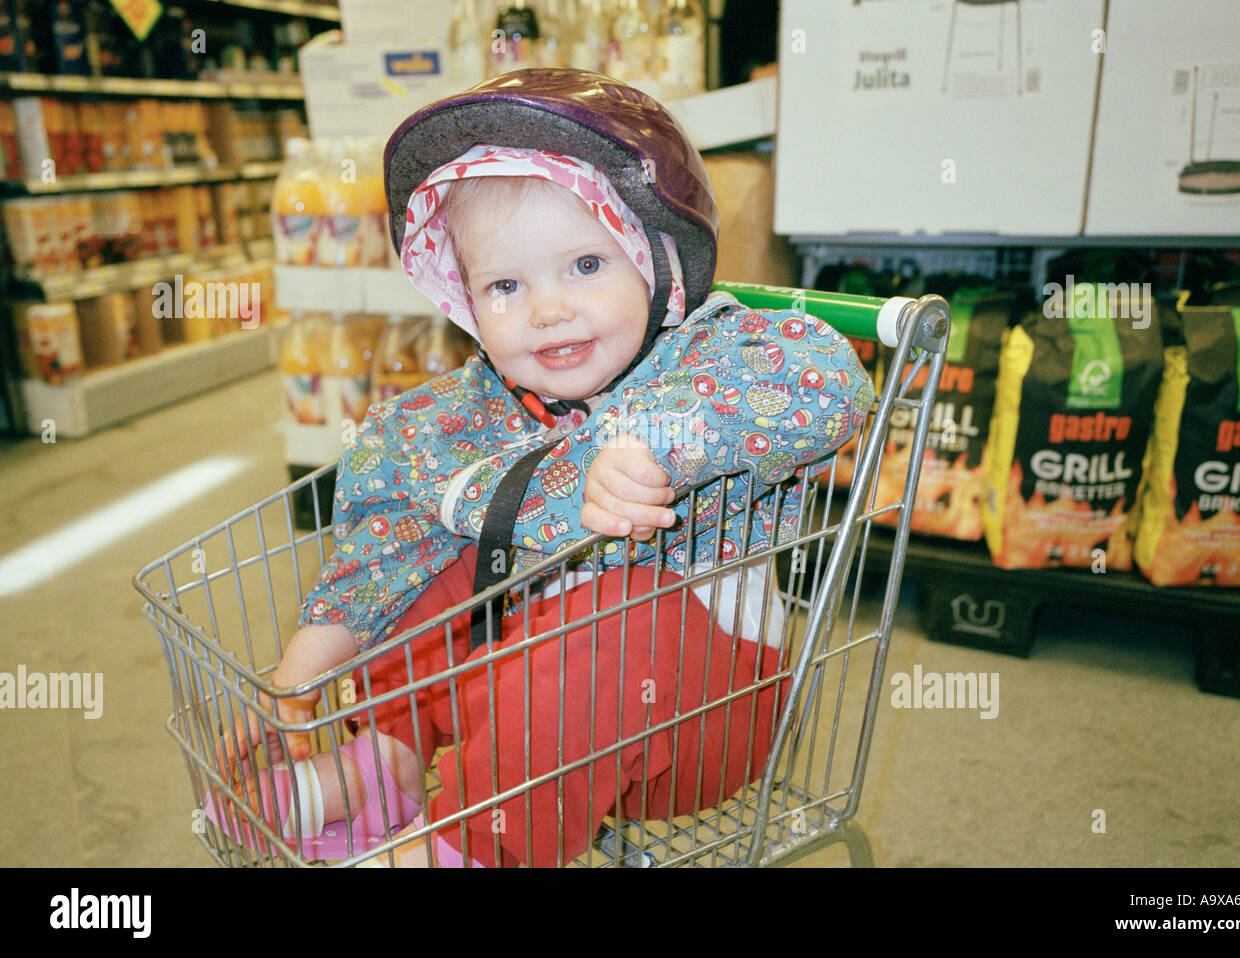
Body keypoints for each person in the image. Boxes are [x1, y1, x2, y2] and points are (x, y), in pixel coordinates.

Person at [207, 68, 872, 868]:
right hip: (518, 704)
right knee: (430, 543)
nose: (547, 309)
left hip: (695, 722)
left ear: (658, 263)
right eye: (506, 284)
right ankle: (390, 758)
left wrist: (658, 443)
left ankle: (472, 850)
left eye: (587, 266)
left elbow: (826, 383)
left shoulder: (711, 353)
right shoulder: (473, 407)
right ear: (464, 300)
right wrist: (297, 681)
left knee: (619, 608)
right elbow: (380, 546)